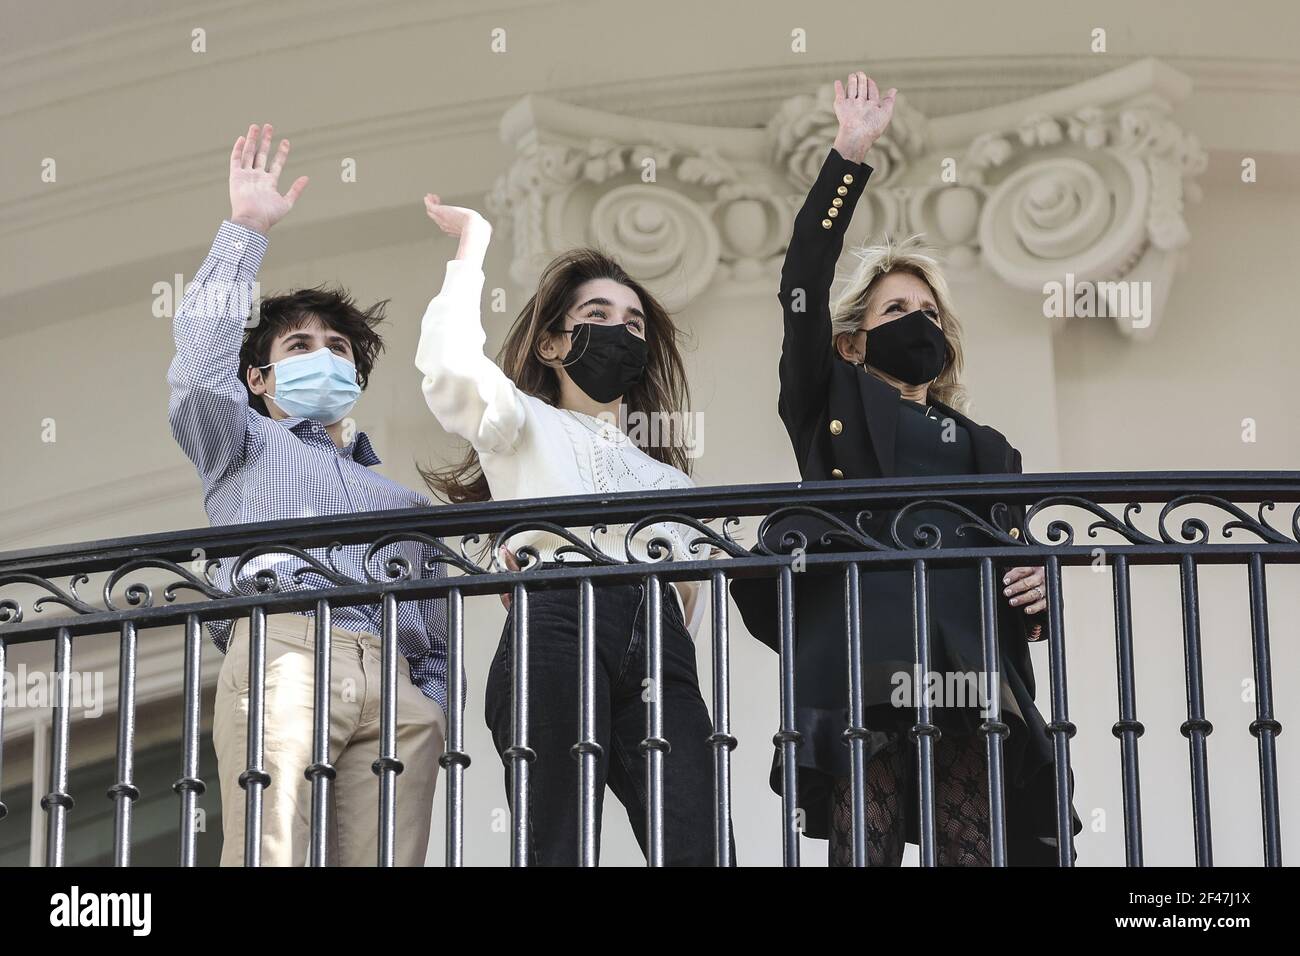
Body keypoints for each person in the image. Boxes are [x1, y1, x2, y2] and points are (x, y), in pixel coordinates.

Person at [730, 74, 1080, 865]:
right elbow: (801, 287)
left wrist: (1035, 587)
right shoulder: (829, 396)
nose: (914, 321)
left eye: (927, 313)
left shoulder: (991, 449)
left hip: (966, 662)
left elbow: (1016, 566)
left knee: (974, 844)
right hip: (865, 657)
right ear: (854, 340)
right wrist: (847, 159)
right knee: (870, 840)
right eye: (894, 310)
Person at [414, 193, 727, 865]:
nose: (620, 331)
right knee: (559, 842)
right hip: (556, 622)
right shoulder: (520, 422)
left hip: (658, 642)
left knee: (699, 840)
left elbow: (690, 601)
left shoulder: (671, 482)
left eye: (634, 323)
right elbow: (450, 369)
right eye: (597, 315)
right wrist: (471, 247)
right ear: (553, 343)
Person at [168, 124, 447, 866]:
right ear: (257, 380)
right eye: (298, 346)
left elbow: (436, 628)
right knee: (274, 849)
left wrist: (430, 704)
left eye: (339, 349)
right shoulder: (240, 445)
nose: (322, 356)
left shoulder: (400, 504)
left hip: (394, 680)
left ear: (356, 378)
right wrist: (246, 230)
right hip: (285, 645)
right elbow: (199, 372)